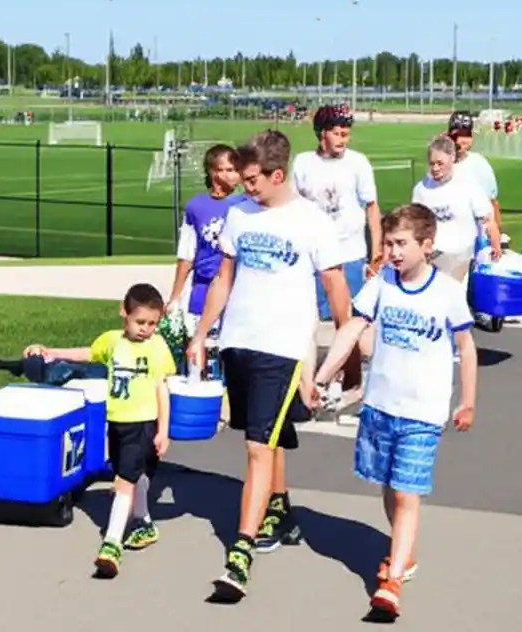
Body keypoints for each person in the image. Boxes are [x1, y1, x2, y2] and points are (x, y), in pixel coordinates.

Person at [186, 129, 353, 601]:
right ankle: (280, 511)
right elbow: (223, 279)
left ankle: (240, 554)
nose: (245, 186)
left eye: (254, 179)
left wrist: (347, 347)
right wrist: (202, 335)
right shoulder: (238, 213)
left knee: (258, 448)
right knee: (262, 437)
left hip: (283, 349)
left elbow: (335, 285)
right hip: (238, 342)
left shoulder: (312, 222)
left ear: (278, 175)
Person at [313, 203, 478, 622]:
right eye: (388, 244)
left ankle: (392, 584)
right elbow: (352, 327)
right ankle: (406, 554)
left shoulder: (446, 292)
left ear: (427, 245)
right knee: (388, 486)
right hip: (381, 405)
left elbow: (465, 347)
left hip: (423, 411)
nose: (393, 252)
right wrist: (322, 374)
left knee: (407, 492)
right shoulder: (382, 284)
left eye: (401, 244)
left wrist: (468, 400)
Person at [22, 283, 174, 579]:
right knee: (133, 473)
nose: (146, 329)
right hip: (117, 422)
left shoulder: (157, 347)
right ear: (124, 313)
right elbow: (90, 353)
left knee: (124, 482)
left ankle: (112, 543)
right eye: (140, 322)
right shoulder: (112, 341)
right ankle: (143, 522)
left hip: (144, 423)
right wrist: (51, 351)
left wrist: (163, 431)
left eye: (153, 324)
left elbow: (162, 388)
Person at [291, 104, 378, 392]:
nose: (343, 139)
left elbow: (371, 208)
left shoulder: (358, 163)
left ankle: (352, 381)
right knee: (306, 322)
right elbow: (291, 206)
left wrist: (376, 251)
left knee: (349, 324)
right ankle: (306, 382)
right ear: (322, 133)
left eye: (346, 134)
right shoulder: (303, 163)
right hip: (311, 256)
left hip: (349, 253)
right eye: (337, 133)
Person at [166, 144, 244, 329]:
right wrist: (175, 297)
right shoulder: (196, 206)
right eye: (226, 170)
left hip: (236, 289)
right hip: (203, 288)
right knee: (200, 347)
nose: (233, 175)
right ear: (213, 172)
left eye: (234, 170)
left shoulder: (245, 204)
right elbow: (186, 254)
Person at [411, 135, 501, 281]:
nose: (435, 168)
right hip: (433, 256)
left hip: (460, 257)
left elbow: (487, 219)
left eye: (440, 163)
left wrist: (496, 246)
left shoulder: (468, 184)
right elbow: (415, 224)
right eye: (432, 163)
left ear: (452, 157)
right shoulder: (421, 190)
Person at [445, 111, 502, 236]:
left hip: (478, 235)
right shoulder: (441, 165)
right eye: (458, 135)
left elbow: (492, 202)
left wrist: (498, 234)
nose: (463, 140)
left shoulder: (480, 164)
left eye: (467, 134)